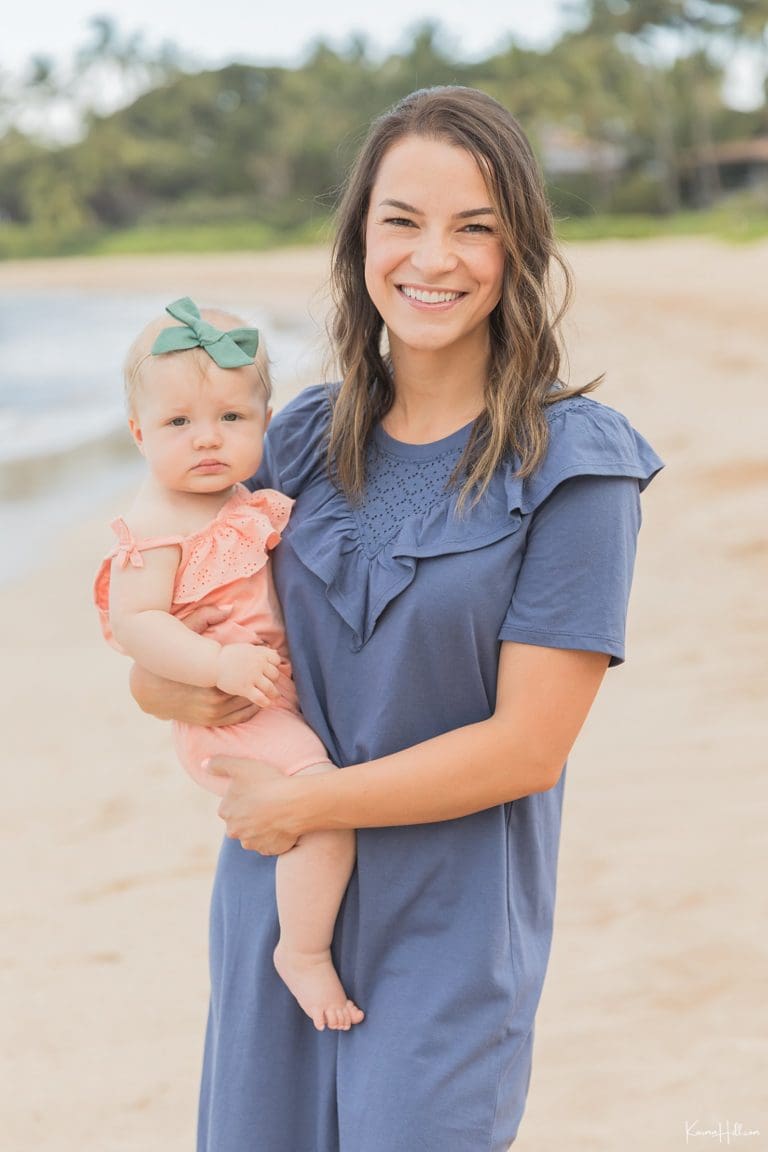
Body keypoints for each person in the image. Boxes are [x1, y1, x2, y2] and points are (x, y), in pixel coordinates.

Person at [131, 86, 663, 1151]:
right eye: (403, 221)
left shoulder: (576, 464)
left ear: (520, 249)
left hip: (449, 930)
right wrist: (172, 682)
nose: (434, 258)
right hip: (281, 903)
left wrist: (305, 800)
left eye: (475, 227)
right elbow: (167, 640)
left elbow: (528, 747)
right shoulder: (292, 440)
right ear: (360, 240)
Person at [94, 296, 364, 1031]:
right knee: (322, 806)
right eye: (179, 423)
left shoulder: (232, 499)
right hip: (229, 716)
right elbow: (137, 623)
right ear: (139, 432)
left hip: (257, 691)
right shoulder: (155, 524)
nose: (207, 439)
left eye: (232, 417)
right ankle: (302, 951)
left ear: (266, 421)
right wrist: (215, 663)